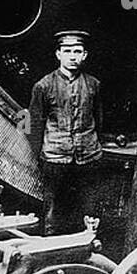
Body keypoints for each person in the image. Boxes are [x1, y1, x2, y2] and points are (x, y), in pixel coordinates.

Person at [27, 30, 103, 235]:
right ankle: (51, 247)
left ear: (84, 55)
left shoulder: (94, 85)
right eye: (67, 51)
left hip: (88, 156)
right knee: (53, 210)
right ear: (58, 54)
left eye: (77, 51)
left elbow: (99, 120)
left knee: (89, 208)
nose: (72, 56)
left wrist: (94, 145)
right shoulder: (43, 86)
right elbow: (34, 124)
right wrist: (39, 157)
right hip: (55, 158)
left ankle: (89, 245)